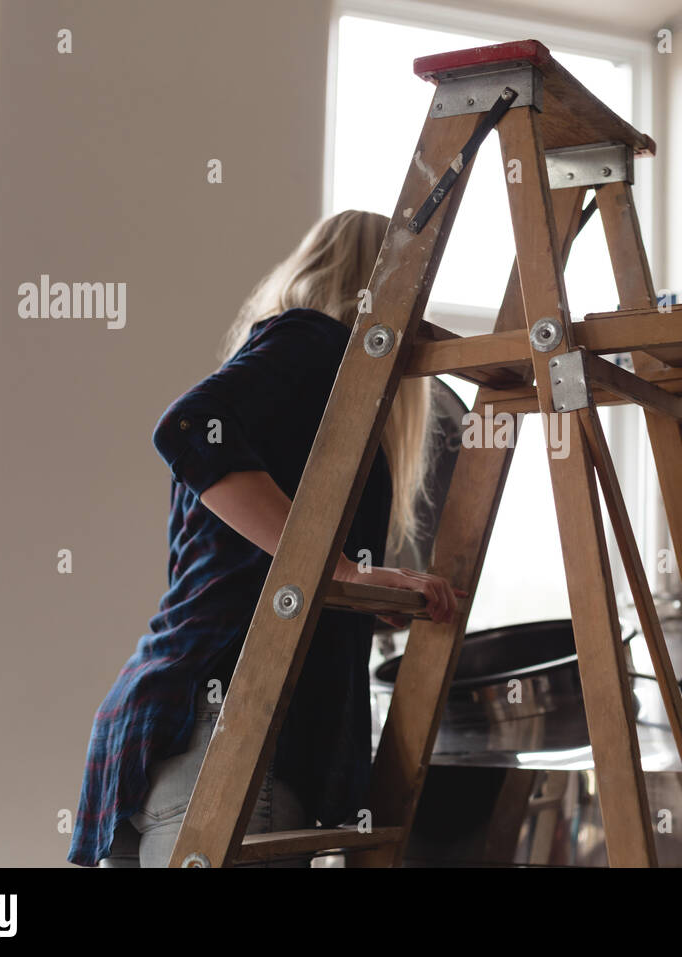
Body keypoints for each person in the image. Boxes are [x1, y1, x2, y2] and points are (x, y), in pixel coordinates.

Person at [67, 210, 458, 867]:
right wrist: (344, 576)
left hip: (152, 729)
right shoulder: (318, 342)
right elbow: (187, 424)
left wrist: (351, 589)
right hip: (230, 740)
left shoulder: (298, 393)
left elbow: (254, 569)